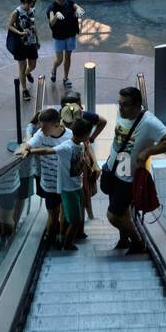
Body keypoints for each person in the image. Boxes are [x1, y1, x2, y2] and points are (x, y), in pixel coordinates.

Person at [104, 86, 166, 255]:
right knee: (121, 210)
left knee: (113, 216)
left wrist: (147, 151)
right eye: (119, 103)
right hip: (113, 168)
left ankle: (138, 242)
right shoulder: (122, 113)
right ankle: (123, 240)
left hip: (128, 178)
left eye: (126, 105)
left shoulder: (149, 122)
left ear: (138, 105)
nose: (121, 108)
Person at [17, 107, 72, 246]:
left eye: (45, 127)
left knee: (65, 213)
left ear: (56, 124)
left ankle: (63, 238)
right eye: (41, 127)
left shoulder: (69, 135)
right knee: (53, 215)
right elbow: (29, 144)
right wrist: (25, 149)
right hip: (49, 184)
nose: (42, 130)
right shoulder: (41, 134)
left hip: (66, 182)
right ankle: (52, 239)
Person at [59, 90, 107, 235]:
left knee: (74, 192)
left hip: (70, 162)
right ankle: (80, 226)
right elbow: (102, 122)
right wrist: (91, 139)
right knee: (81, 190)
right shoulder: (84, 116)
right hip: (80, 162)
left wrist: (90, 139)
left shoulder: (59, 118)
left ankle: (73, 227)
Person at [47, 0, 82, 87]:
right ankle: (54, 69)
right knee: (59, 59)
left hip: (70, 35)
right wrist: (56, 16)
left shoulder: (70, 3)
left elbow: (75, 6)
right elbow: (51, 23)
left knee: (68, 57)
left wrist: (79, 8)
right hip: (59, 37)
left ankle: (66, 78)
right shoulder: (52, 8)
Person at [7, 0, 39, 100]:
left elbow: (34, 26)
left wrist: (37, 40)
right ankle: (24, 90)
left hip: (31, 42)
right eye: (32, 2)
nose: (34, 4)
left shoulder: (32, 10)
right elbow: (9, 26)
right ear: (26, 1)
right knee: (22, 66)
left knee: (33, 65)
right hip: (21, 43)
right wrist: (20, 33)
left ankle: (27, 74)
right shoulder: (16, 12)